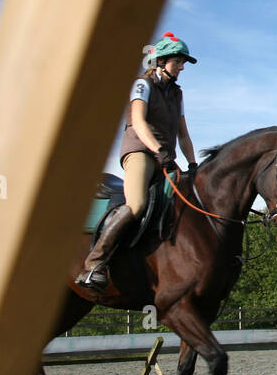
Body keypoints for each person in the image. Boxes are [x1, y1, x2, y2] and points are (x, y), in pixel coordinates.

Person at [76, 32, 199, 290]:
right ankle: (93, 264)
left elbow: (183, 134)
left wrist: (192, 164)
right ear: (162, 61)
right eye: (178, 61)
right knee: (137, 205)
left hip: (165, 158)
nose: (182, 66)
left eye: (182, 62)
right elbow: (140, 123)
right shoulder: (142, 85)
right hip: (141, 153)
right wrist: (158, 150)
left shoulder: (177, 94)